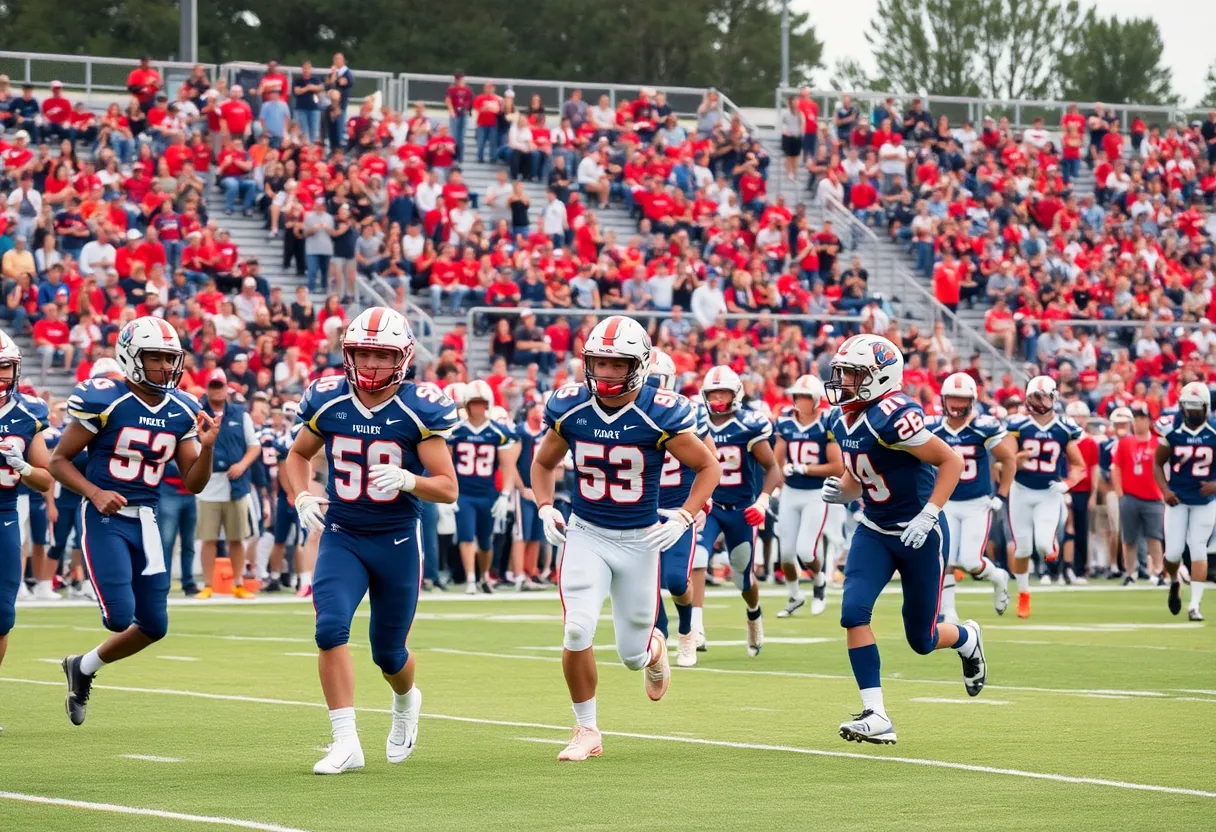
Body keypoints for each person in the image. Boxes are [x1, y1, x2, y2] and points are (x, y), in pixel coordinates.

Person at [530, 316, 720, 761]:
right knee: (576, 628)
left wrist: (685, 517)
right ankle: (586, 728)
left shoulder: (661, 410)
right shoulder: (570, 406)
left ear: (640, 364)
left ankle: (655, 651)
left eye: (618, 364)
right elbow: (542, 465)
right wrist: (544, 506)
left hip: (640, 540)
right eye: (600, 362)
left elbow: (709, 467)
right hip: (586, 532)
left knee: (632, 655)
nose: (608, 373)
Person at [284, 307, 459, 775]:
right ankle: (345, 741)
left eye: (381, 355)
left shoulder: (417, 407)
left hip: (398, 539)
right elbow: (297, 455)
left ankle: (406, 700)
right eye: (362, 352)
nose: (370, 364)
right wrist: (301, 493)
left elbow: (447, 485)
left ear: (401, 357)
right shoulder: (328, 399)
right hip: (343, 533)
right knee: (329, 628)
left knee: (389, 652)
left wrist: (408, 479)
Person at [52, 317, 217, 726]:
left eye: (169, 358)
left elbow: (194, 483)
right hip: (106, 518)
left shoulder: (182, 409)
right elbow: (58, 461)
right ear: (131, 357)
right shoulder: (105, 399)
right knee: (119, 617)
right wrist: (94, 492)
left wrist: (208, 449)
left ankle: (83, 666)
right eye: (155, 357)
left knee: (155, 626)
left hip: (147, 521)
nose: (164, 366)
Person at [821, 334, 981, 745]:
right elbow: (863, 478)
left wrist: (930, 514)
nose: (844, 381)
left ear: (879, 377)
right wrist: (844, 489)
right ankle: (876, 713)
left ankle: (966, 638)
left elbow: (951, 460)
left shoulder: (895, 415)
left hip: (919, 534)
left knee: (922, 639)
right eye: (843, 373)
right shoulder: (840, 418)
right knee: (853, 612)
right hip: (875, 530)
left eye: (854, 374)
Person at [697, 365, 782, 655]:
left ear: (736, 394)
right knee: (697, 557)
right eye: (713, 392)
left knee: (742, 578)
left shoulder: (749, 424)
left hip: (742, 509)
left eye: (723, 392)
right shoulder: (696, 422)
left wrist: (763, 500)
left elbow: (772, 467)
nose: (718, 397)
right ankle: (694, 628)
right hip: (708, 506)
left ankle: (754, 612)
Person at [0, 333, 55, 733]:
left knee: (2, 615)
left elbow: (46, 479)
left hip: (3, 514)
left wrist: (22, 467)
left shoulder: (28, 413)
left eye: (4, 366)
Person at [648, 349, 716, 667]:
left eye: (654, 381)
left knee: (676, 580)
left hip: (678, 508)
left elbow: (709, 459)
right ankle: (659, 638)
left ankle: (686, 630)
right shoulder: (626, 413)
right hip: (642, 508)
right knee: (648, 580)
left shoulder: (687, 410)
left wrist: (702, 499)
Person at [928, 373, 1015, 622]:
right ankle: (949, 612)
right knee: (945, 559)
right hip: (945, 502)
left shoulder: (982, 427)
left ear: (972, 400)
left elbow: (1008, 459)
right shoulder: (932, 428)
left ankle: (998, 576)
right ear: (943, 399)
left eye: (962, 399)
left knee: (970, 560)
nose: (956, 404)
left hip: (976, 503)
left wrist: (1002, 494)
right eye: (952, 398)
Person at [1005, 376, 1085, 618]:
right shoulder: (1017, 425)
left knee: (1042, 543)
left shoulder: (1063, 428)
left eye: (1043, 396)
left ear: (1053, 398)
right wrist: (1018, 459)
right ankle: (1023, 595)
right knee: (1022, 549)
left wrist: (1068, 484)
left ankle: (1051, 545)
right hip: (1021, 490)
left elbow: (1079, 465)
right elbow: (1005, 462)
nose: (1038, 402)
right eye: (1034, 396)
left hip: (1049, 492)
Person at [772, 374, 842, 618]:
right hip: (791, 492)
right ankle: (794, 595)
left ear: (815, 400)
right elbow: (775, 462)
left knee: (805, 551)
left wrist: (805, 468)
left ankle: (820, 580)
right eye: (798, 396)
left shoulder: (826, 424)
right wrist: (780, 477)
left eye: (805, 396)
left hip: (815, 494)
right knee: (786, 554)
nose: (800, 400)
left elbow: (837, 466)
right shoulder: (785, 423)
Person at [194, 370, 261, 599]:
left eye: (219, 385)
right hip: (210, 483)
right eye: (213, 385)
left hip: (236, 483)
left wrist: (242, 465)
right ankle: (208, 585)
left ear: (226, 388)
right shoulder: (199, 413)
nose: (216, 390)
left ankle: (239, 583)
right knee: (208, 538)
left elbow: (254, 446)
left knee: (236, 538)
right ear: (207, 388)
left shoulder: (240, 414)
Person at [448, 380, 518, 594]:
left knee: (486, 541)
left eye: (482, 403)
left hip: (488, 493)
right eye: (474, 402)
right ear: (467, 404)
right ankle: (471, 579)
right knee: (467, 536)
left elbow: (507, 466)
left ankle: (484, 576)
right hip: (464, 493)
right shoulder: (455, 431)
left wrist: (505, 494)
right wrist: (448, 495)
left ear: (488, 404)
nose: (478, 407)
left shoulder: (499, 432)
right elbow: (446, 464)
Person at [1154, 382, 1215, 621]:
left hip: (1205, 500)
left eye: (1196, 408)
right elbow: (1157, 463)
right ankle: (1173, 580)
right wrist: (1165, 489)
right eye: (1188, 408)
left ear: (1206, 407)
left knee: (1198, 548)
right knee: (1174, 552)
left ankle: (1195, 605)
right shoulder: (1172, 429)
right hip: (1177, 499)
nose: (1191, 413)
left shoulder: (1214, 430)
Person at [1111, 403, 1165, 586]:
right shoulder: (1125, 443)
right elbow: (1116, 468)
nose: (1138, 422)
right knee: (1129, 538)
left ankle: (1158, 571)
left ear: (1149, 421)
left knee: (1154, 537)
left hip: (1153, 496)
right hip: (1130, 495)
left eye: (1142, 418)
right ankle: (1130, 572)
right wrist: (1120, 494)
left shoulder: (1158, 443)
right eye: (1136, 419)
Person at [511, 402, 548, 589]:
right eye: (537, 409)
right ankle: (518, 574)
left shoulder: (545, 433)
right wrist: (521, 487)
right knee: (521, 533)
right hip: (523, 489)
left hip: (539, 490)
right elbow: (510, 463)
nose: (540, 412)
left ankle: (531, 571)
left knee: (536, 534)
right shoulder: (519, 432)